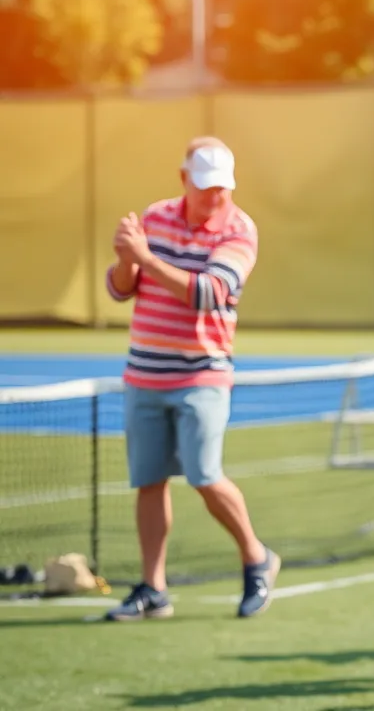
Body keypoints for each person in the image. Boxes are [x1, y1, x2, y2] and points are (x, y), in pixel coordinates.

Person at [103, 136, 280, 621]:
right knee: (149, 480)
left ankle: (256, 556)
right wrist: (125, 257)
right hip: (145, 371)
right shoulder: (155, 216)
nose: (214, 198)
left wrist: (145, 256)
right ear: (184, 180)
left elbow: (209, 293)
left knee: (204, 474)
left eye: (222, 188)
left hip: (203, 373)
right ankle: (153, 588)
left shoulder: (240, 230)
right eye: (206, 188)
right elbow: (121, 289)